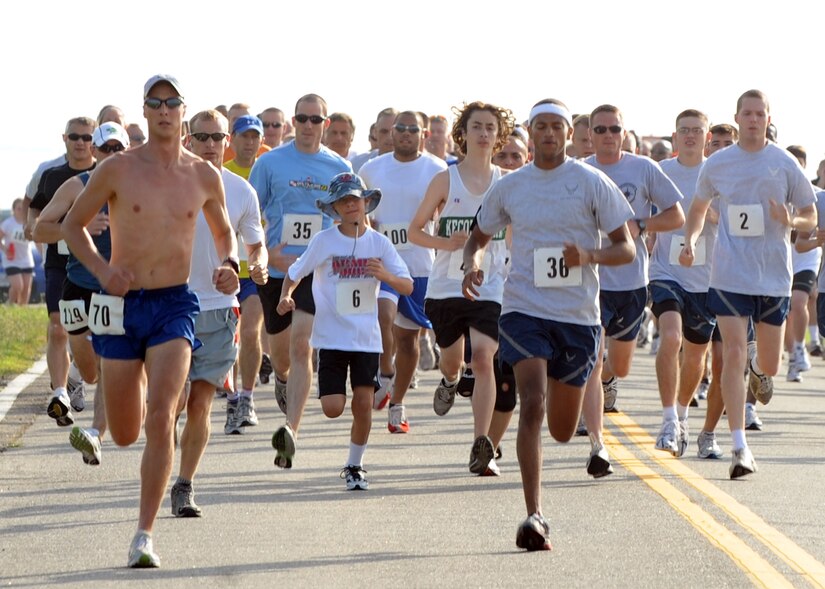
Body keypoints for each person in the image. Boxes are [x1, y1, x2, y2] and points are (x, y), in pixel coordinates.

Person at [61, 74, 239, 568]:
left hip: (175, 304)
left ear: (184, 110)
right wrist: (103, 270)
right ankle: (131, 394)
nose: (164, 110)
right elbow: (73, 226)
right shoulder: (117, 168)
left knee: (164, 414)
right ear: (144, 111)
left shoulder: (204, 174)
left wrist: (229, 266)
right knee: (123, 431)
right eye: (155, 103)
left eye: (172, 103)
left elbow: (225, 234)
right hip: (121, 307)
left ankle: (144, 535)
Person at [462, 98, 635, 551]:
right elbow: (477, 237)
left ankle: (557, 463)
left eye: (557, 126)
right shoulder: (511, 186)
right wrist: (472, 263)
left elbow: (627, 249)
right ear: (530, 132)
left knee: (561, 428)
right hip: (524, 309)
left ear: (567, 133)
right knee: (532, 402)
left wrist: (590, 255)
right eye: (541, 126)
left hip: (577, 318)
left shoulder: (590, 182)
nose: (550, 134)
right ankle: (533, 515)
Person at [680, 89, 817, 479]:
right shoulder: (719, 163)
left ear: (768, 119)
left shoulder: (784, 163)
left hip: (773, 276)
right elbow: (698, 208)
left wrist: (791, 220)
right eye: (748, 113)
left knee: (768, 365)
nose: (754, 119)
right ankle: (740, 444)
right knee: (732, 355)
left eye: (760, 113)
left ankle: (761, 369)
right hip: (729, 274)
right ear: (737, 118)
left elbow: (809, 215)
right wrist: (690, 240)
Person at [277, 172, 412, 488]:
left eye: (355, 198)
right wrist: (286, 295)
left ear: (366, 202)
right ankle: (343, 443)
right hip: (331, 339)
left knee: (363, 404)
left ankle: (355, 465)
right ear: (335, 208)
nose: (350, 205)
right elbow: (296, 272)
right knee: (333, 408)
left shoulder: (379, 243)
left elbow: (406, 285)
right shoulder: (324, 240)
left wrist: (385, 276)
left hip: (366, 340)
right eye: (343, 200)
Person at [409, 101, 514, 475]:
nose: (484, 133)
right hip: (445, 286)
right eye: (477, 127)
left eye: (490, 127)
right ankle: (451, 380)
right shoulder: (445, 180)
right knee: (452, 360)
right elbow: (414, 231)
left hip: (490, 288)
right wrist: (446, 243)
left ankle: (480, 445)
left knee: (484, 358)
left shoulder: (507, 183)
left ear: (498, 136)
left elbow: (513, 237)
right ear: (463, 134)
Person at [579, 105, 684, 477]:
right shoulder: (580, 171)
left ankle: (608, 383)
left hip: (632, 282)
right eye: (601, 129)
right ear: (589, 134)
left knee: (617, 366)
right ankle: (598, 444)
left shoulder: (643, 169)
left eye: (615, 129)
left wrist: (641, 222)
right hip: (590, 283)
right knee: (591, 363)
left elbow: (677, 215)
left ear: (624, 133)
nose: (608, 135)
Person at [172, 108, 267, 516]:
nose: (211, 145)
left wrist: (256, 264)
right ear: (187, 139)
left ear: (227, 142)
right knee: (168, 406)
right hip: (170, 305)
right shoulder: (168, 183)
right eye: (202, 137)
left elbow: (255, 243)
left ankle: (184, 484)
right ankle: (162, 454)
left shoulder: (242, 191)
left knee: (200, 404)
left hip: (218, 310)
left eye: (217, 137)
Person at [249, 93, 352, 469]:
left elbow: (355, 218)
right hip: (278, 271)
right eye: (302, 119)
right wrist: (263, 251)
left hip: (317, 271)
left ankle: (290, 431)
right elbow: (249, 214)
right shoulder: (270, 163)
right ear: (293, 123)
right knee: (281, 355)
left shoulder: (339, 167)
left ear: (326, 124)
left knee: (302, 344)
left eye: (316, 119)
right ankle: (280, 378)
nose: (309, 126)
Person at [33, 122, 131, 465]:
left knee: (105, 364)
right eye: (106, 149)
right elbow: (39, 229)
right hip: (78, 285)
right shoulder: (77, 186)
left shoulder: (139, 187)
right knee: (88, 368)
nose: (112, 156)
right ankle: (75, 382)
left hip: (116, 288)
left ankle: (94, 434)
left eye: (119, 149)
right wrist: (76, 227)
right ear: (95, 152)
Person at [359, 111, 447, 433]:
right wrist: (369, 228)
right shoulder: (371, 169)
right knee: (384, 316)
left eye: (413, 129)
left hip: (421, 265)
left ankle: (397, 403)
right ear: (390, 132)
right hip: (381, 261)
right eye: (401, 129)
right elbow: (358, 210)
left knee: (408, 340)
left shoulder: (437, 169)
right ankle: (385, 370)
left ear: (424, 134)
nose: (406, 134)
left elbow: (445, 212)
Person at [648, 110, 715, 457]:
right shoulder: (661, 173)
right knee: (670, 336)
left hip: (706, 279)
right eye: (684, 131)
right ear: (674, 138)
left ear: (707, 137)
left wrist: (715, 216)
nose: (690, 136)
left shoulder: (719, 172)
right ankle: (668, 420)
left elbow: (737, 223)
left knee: (695, 356)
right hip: (665, 273)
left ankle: (684, 412)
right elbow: (646, 218)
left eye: (696, 131)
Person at [29, 116, 98, 426]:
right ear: (64, 139)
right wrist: (69, 230)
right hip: (60, 264)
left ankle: (74, 378)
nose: (81, 142)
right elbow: (36, 217)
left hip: (100, 265)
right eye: (75, 137)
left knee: (94, 333)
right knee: (59, 328)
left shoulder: (108, 173)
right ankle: (59, 393)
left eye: (86, 137)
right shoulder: (52, 175)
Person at [222, 113, 270, 427]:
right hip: (222, 270)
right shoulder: (221, 175)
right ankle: (231, 397)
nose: (250, 142)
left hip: (252, 269)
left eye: (255, 136)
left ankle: (247, 398)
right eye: (244, 136)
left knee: (251, 332)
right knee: (228, 339)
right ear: (232, 139)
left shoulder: (267, 171)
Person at [784, 145, 819, 382]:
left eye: (799, 162)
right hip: (782, 258)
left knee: (799, 302)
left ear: (804, 165)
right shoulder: (777, 192)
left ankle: (800, 347)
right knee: (785, 313)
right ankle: (793, 360)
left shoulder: (816, 195)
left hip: (807, 257)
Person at [1, 199, 36, 304]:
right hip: (11, 259)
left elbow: (37, 241)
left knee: (26, 288)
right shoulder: (8, 224)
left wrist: (43, 255)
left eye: (23, 208)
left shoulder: (29, 223)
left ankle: (22, 309)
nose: (21, 211)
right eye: (18, 208)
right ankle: (10, 304)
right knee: (18, 286)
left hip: (26, 259)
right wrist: (5, 250)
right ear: (14, 210)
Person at [351, 107, 398, 172]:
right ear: (375, 132)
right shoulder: (358, 163)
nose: (389, 137)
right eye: (384, 131)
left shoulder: (413, 165)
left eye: (394, 131)